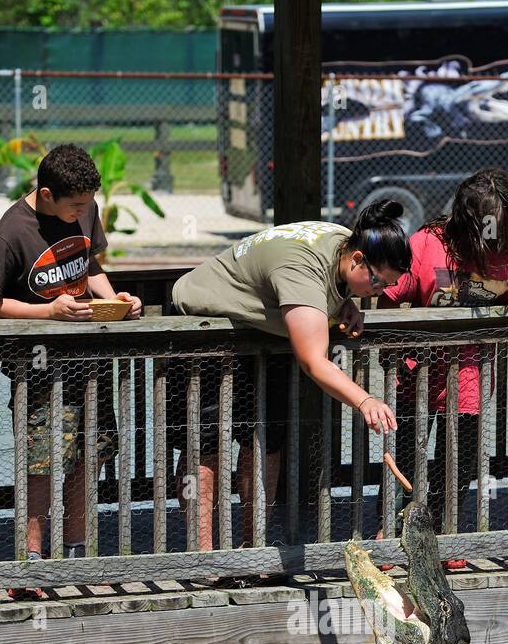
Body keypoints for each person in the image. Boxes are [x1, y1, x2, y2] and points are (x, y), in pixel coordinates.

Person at [170, 202, 411, 548]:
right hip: (204, 326)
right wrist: (365, 399)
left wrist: (346, 301)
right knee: (205, 445)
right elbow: (314, 361)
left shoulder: (345, 242)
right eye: (377, 281)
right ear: (356, 259)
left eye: (387, 285)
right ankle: (205, 556)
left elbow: (328, 288)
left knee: (267, 440)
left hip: (262, 334)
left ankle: (254, 549)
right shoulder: (301, 269)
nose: (380, 291)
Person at [377, 167, 508, 563]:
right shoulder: (427, 244)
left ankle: (446, 538)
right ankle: (393, 535)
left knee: (457, 465)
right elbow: (392, 293)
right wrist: (390, 345)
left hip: (470, 384)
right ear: (463, 221)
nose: (488, 241)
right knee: (406, 459)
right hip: (416, 377)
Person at [0, 143, 142, 560]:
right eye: (76, 204)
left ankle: (75, 551)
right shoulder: (10, 231)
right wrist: (47, 311)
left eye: (89, 203)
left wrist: (115, 297)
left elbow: (89, 263)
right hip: (40, 371)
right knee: (41, 465)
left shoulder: (84, 209)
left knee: (93, 455)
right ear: (46, 195)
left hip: (89, 363)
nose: (84, 210)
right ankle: (32, 559)